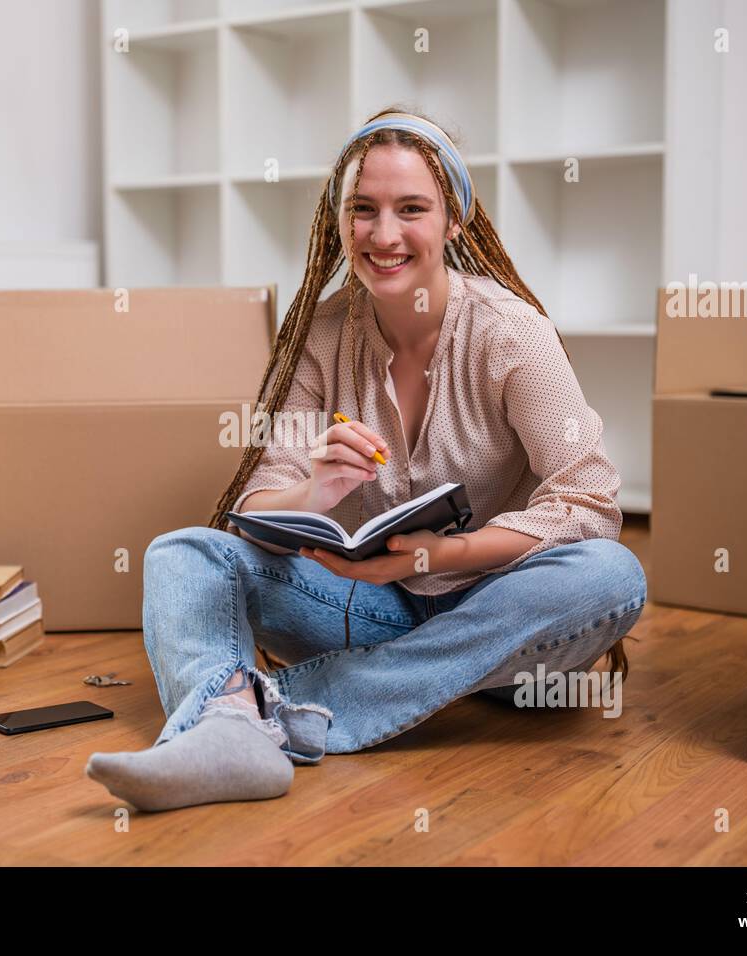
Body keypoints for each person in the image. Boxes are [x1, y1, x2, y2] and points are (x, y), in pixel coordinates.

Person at [85, 106, 647, 813]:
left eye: (411, 208)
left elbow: (590, 501)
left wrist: (435, 557)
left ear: (454, 222)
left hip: (506, 628)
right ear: (339, 220)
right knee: (183, 554)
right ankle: (257, 727)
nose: (384, 235)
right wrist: (313, 492)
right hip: (368, 606)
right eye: (364, 210)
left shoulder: (511, 335)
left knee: (613, 574)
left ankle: (241, 717)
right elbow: (256, 503)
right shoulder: (322, 337)